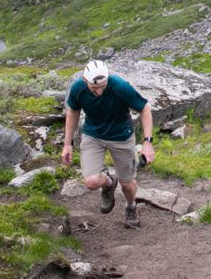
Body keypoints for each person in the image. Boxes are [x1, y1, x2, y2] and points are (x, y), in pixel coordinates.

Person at [62, 60, 155, 228]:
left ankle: (131, 206)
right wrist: (67, 144)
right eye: (94, 88)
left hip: (121, 136)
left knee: (127, 183)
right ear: (85, 81)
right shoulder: (78, 88)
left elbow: (145, 108)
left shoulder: (119, 86)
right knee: (91, 182)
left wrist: (147, 143)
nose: (99, 91)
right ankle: (109, 183)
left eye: (102, 86)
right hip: (93, 135)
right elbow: (73, 111)